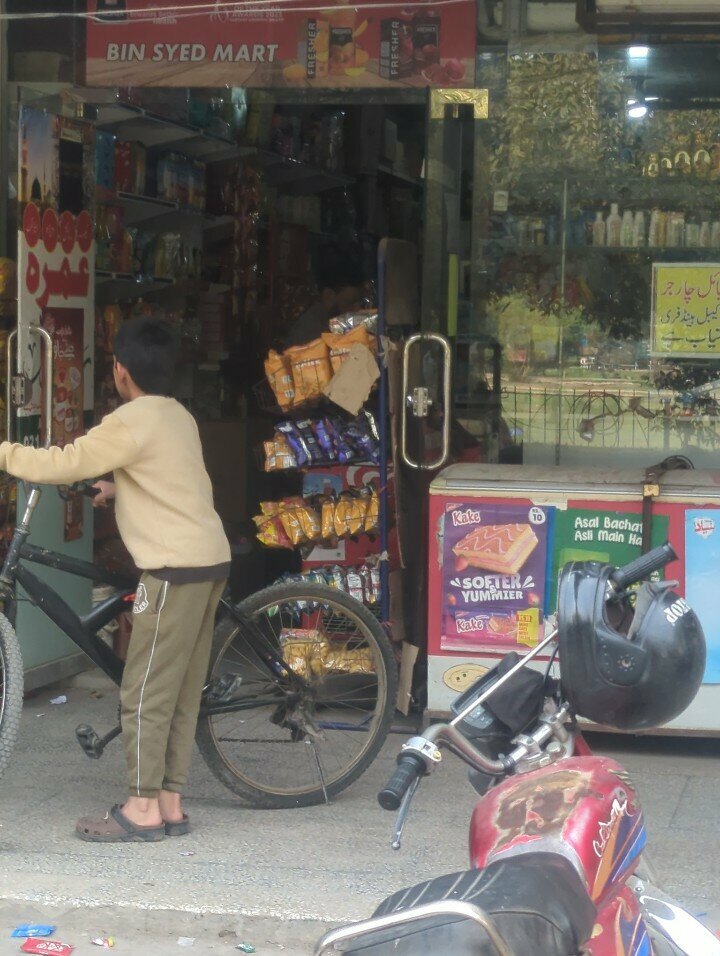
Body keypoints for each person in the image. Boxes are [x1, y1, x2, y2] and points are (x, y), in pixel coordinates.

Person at [0, 317, 230, 843]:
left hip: (172, 569)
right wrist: (118, 488)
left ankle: (142, 809)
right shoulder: (178, 416)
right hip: (209, 562)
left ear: (121, 372)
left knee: (144, 690)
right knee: (178, 691)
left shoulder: (127, 421)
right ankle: (169, 802)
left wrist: (5, 453)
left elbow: (64, 462)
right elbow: (171, 480)